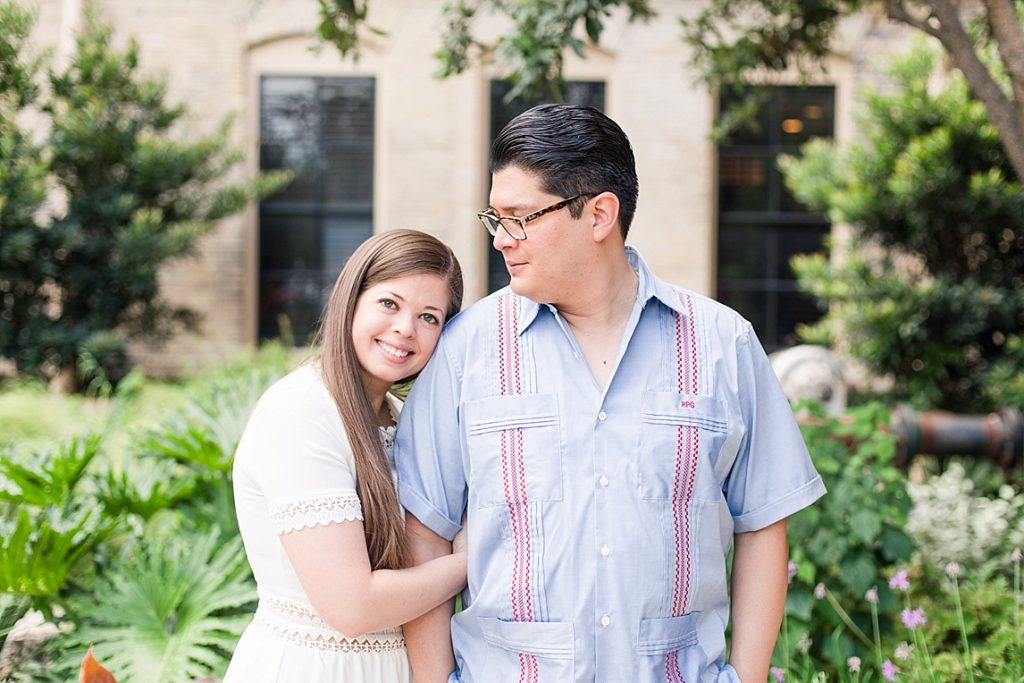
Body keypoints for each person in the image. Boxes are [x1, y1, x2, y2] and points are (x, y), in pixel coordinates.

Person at [396, 104, 827, 683]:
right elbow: (423, 530)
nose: (501, 239)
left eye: (520, 218)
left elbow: (762, 526)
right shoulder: (466, 349)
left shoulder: (724, 344)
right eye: (494, 218)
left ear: (599, 214)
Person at [224, 229, 467, 682]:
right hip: (315, 667)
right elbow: (353, 607)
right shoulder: (302, 412)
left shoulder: (404, 419)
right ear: (351, 299)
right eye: (389, 304)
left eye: (429, 317)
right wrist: (472, 561)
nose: (405, 329)